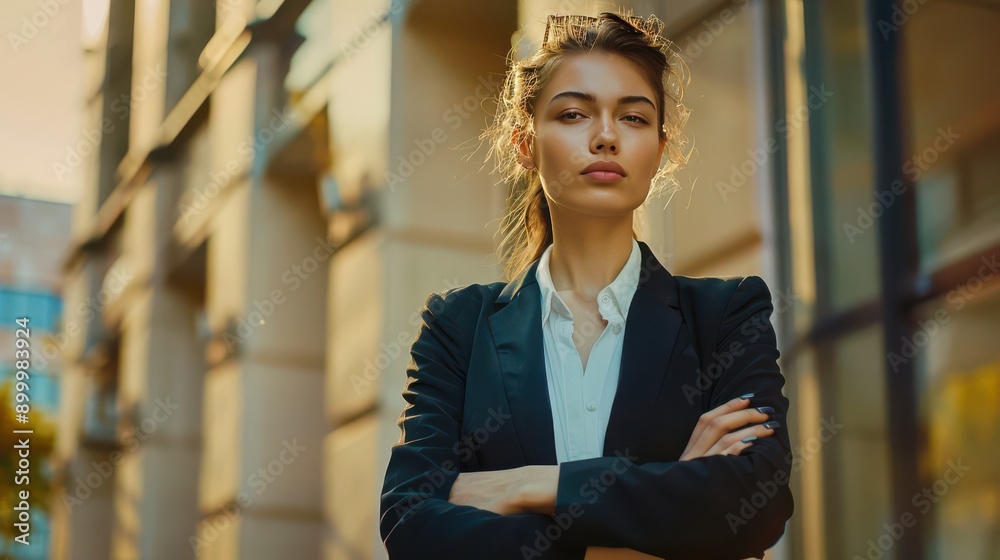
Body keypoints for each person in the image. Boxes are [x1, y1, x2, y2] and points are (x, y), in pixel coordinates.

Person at [379, 10, 793, 559]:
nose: (605, 137)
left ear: (661, 152)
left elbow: (756, 502)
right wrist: (655, 511)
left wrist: (523, 485)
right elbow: (411, 525)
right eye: (573, 114)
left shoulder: (724, 317)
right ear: (525, 142)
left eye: (634, 118)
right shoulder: (458, 328)